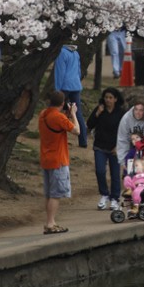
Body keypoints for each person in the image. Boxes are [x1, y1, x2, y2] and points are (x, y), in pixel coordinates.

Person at [38, 91, 80, 235]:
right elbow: (77, 131)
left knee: (49, 193)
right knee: (56, 194)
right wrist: (73, 113)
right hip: (58, 159)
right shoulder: (58, 117)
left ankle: (51, 221)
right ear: (62, 104)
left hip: (46, 158)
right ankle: (50, 223)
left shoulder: (43, 114)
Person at [87, 87, 125, 211]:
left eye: (110, 98)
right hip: (100, 146)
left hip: (115, 148)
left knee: (115, 174)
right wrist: (97, 113)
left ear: (115, 99)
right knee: (100, 171)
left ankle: (114, 198)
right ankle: (104, 194)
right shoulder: (100, 110)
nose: (108, 100)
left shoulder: (121, 113)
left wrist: (119, 146)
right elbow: (89, 124)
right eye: (106, 97)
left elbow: (125, 131)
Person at [53, 44, 88, 148]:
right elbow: (78, 70)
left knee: (56, 111)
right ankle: (83, 141)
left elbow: (60, 72)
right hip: (76, 85)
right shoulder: (76, 53)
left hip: (64, 86)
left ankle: (55, 135)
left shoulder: (61, 53)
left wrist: (57, 90)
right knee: (77, 112)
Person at [116, 102, 144, 168]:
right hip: (133, 148)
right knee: (131, 173)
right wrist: (123, 161)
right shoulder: (126, 118)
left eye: (141, 110)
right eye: (136, 109)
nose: (138, 112)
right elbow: (122, 140)